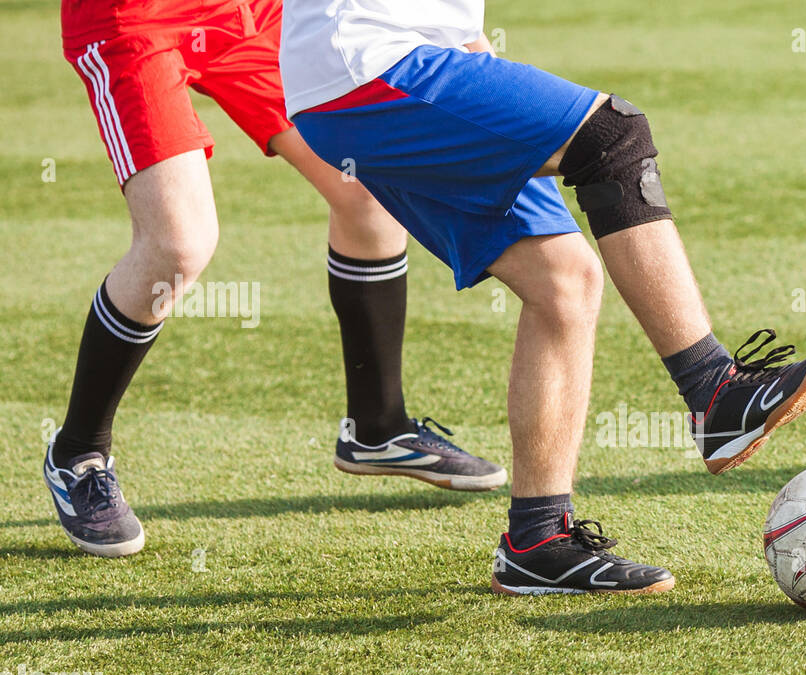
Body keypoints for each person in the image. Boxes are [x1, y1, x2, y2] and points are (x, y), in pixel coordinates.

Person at [281, 0, 806, 595]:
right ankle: (715, 391)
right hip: (368, 68)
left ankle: (537, 541)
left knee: (563, 280)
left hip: (396, 71)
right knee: (614, 137)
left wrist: (494, 100)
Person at [44, 0, 506, 558]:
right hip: (137, 19)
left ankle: (377, 427)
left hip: (253, 14)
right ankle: (78, 453)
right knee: (177, 245)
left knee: (366, 190)